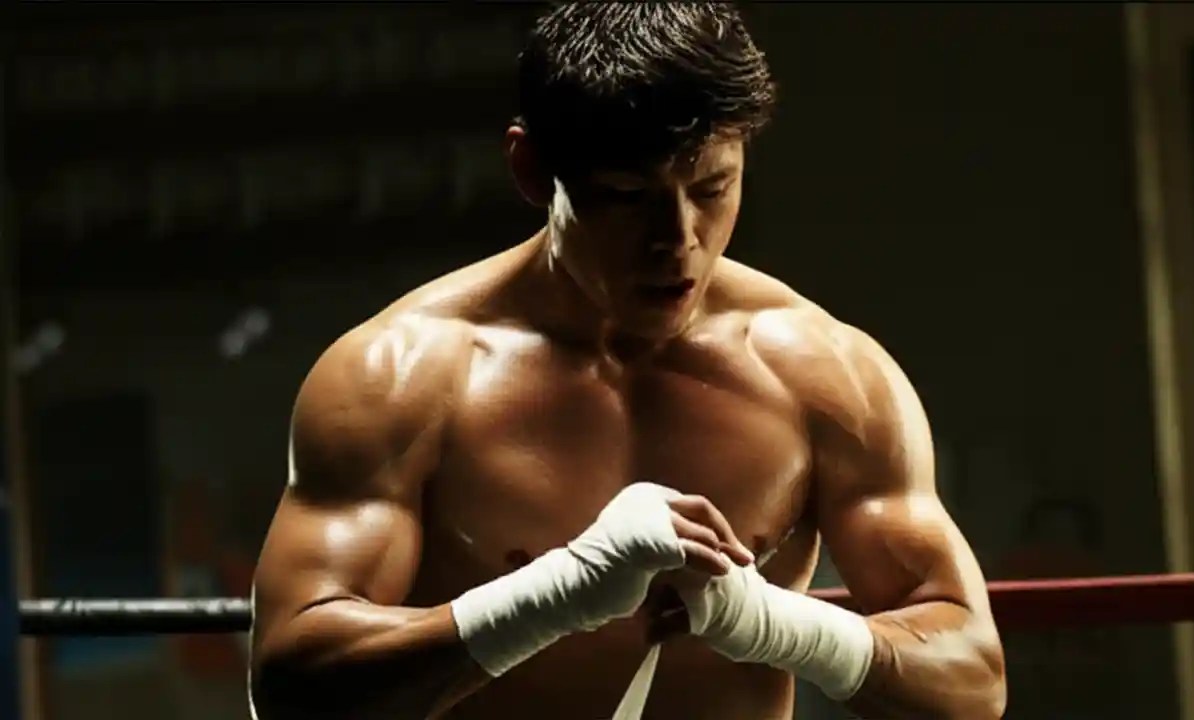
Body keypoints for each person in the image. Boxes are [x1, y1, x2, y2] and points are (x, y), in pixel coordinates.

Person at [248, 4, 1006, 719]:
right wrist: (554, 595)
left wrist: (774, 623)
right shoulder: (401, 377)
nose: (677, 239)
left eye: (711, 187)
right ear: (531, 170)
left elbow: (974, 682)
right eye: (624, 195)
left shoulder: (825, 376)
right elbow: (289, 688)